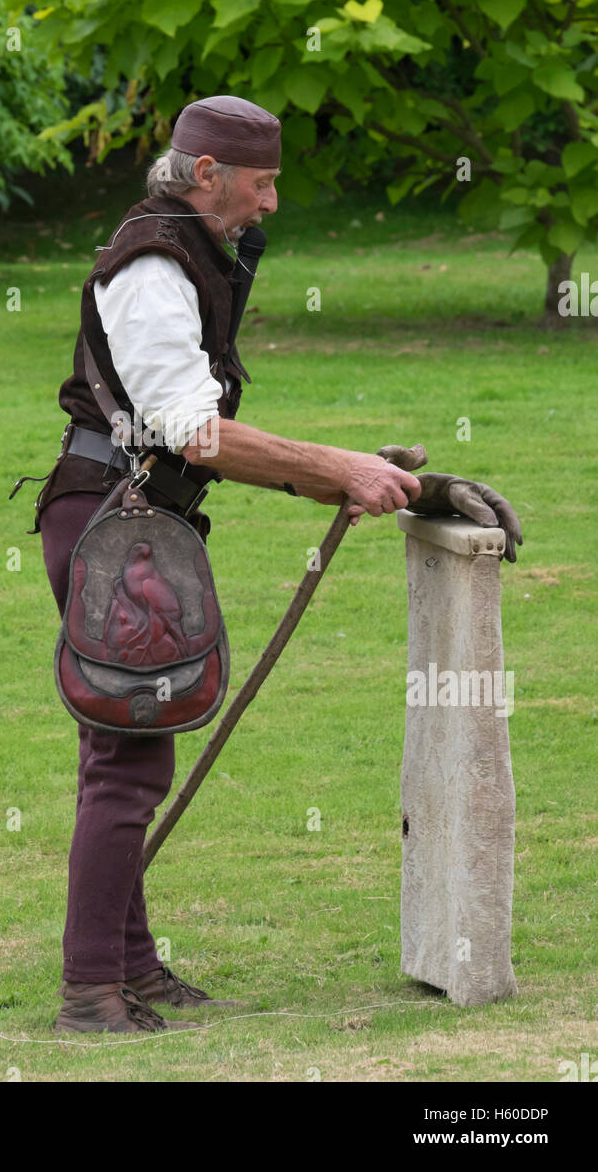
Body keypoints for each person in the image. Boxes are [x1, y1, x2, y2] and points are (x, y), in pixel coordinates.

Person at [26, 94, 518, 1034]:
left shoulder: (183, 247)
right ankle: (91, 995)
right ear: (204, 175)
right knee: (127, 765)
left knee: (124, 755)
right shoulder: (152, 261)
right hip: (109, 523)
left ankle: (129, 968)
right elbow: (191, 430)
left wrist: (376, 483)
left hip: (127, 518)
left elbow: (195, 436)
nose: (273, 203)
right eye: (261, 182)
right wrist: (337, 471)